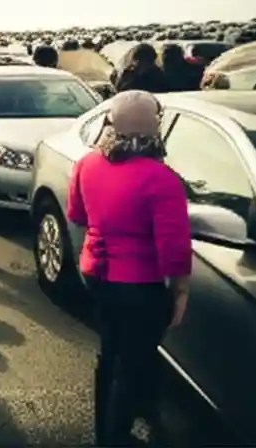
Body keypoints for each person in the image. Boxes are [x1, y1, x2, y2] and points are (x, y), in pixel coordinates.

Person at [67, 90, 190, 446]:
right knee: (133, 363)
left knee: (110, 353)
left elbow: (76, 215)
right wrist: (180, 291)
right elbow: (174, 248)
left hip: (97, 275)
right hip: (140, 286)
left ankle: (104, 430)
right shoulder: (162, 179)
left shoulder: (86, 164)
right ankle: (115, 436)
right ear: (155, 129)